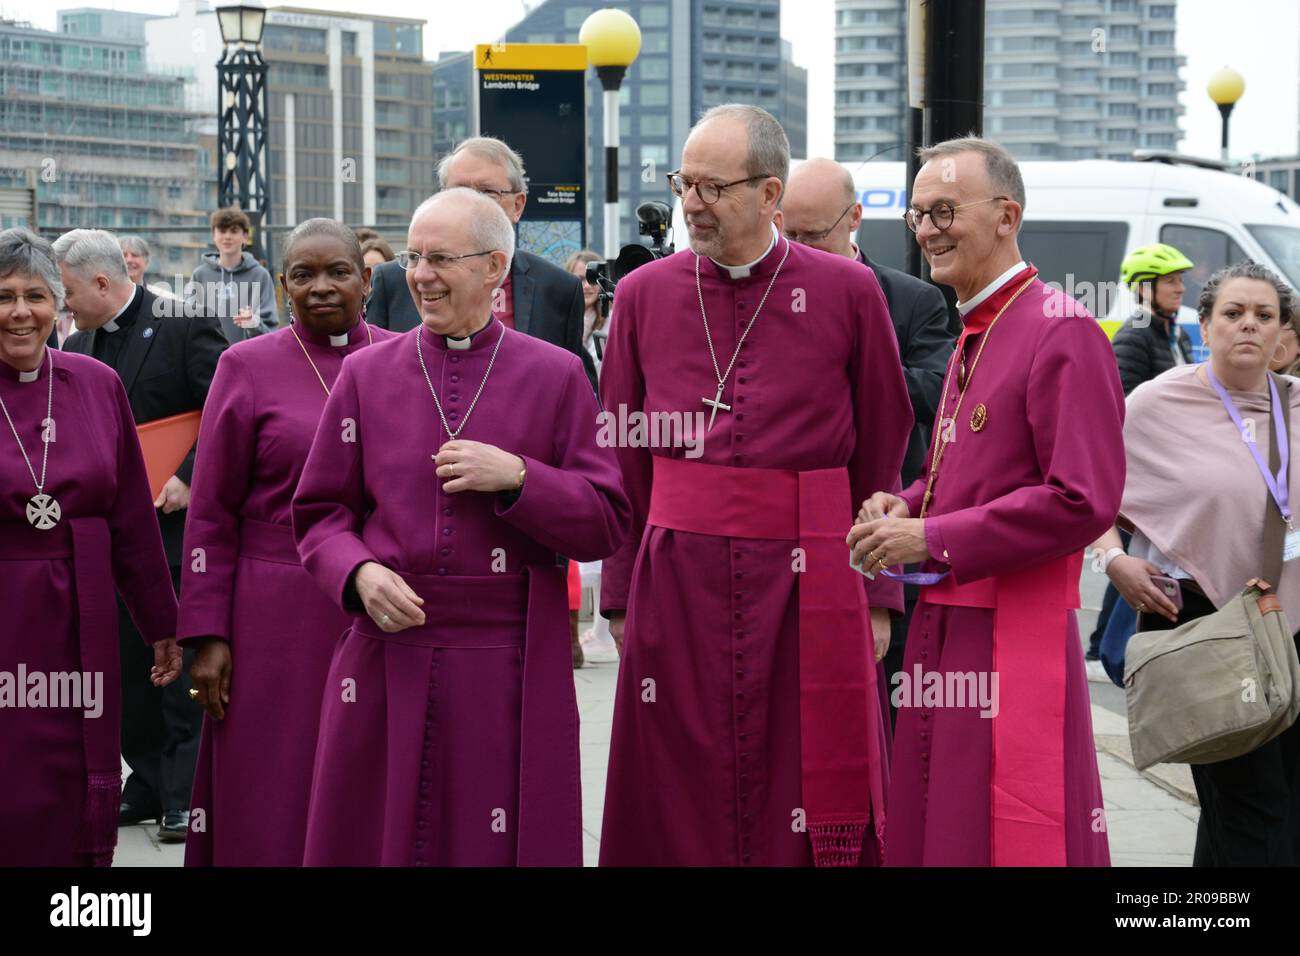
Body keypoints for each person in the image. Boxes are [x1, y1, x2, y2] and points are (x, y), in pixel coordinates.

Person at [598, 105, 912, 866]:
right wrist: (617, 592)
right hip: (677, 579)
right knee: (678, 776)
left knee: (802, 771)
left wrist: (879, 592)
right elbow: (620, 453)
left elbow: (881, 453)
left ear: (771, 194)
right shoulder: (642, 293)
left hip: (810, 581)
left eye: (712, 186)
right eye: (684, 183)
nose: (691, 203)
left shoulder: (847, 291)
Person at [291, 188, 629, 866]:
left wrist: (523, 478)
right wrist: (358, 572)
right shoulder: (363, 375)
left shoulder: (557, 375)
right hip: (388, 647)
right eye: (413, 257)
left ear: (495, 267)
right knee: (376, 831)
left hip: (505, 660)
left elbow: (605, 522)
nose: (419, 274)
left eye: (440, 258)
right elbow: (319, 514)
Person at [848, 136, 1125, 866]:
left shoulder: (1061, 328)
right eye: (916, 216)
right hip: (951, 617)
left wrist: (932, 539)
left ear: (1007, 215)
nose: (928, 229)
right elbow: (959, 471)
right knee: (942, 824)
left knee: (1002, 826)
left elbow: (1083, 499)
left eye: (944, 210)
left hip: (1009, 630)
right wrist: (906, 504)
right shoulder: (977, 326)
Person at [177, 220, 397, 865]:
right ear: (281, 286)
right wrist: (207, 634)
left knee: (366, 774)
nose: (322, 287)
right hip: (272, 610)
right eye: (303, 275)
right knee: (270, 779)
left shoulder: (403, 356)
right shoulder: (244, 365)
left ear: (366, 280)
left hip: (376, 604)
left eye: (338, 272)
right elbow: (211, 512)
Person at [1097, 261, 1300, 866]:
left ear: (1281, 333)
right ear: (1205, 326)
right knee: (1252, 809)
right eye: (1233, 314)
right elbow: (1085, 494)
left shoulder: (1295, 405)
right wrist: (1113, 561)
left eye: (1264, 316)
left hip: (1288, 626)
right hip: (1200, 622)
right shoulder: (1157, 404)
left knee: (1264, 810)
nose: (1249, 326)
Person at [0, 228, 182, 866]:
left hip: (84, 612)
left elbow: (132, 516)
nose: (21, 313)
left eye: (35, 296)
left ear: (59, 305)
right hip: (6, 614)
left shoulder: (96, 382)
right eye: (3, 297)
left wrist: (162, 623)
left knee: (74, 771)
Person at [57, 228, 228, 842]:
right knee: (128, 668)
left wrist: (188, 476)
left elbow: (224, 412)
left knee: (178, 665)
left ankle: (185, 793)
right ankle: (149, 780)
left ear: (102, 282)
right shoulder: (76, 344)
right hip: (112, 537)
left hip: (179, 532)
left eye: (70, 293)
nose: (64, 307)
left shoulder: (182, 324)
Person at [783, 157, 954, 727]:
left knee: (886, 711)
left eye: (813, 234)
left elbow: (933, 392)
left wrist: (845, 376)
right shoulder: (765, 293)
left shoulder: (911, 300)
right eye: (788, 232)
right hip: (787, 530)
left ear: (854, 218)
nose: (798, 246)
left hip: (877, 518)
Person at [366, 136, 597, 389]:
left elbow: (574, 391)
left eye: (487, 193)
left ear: (517, 205)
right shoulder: (396, 282)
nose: (470, 204)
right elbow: (375, 380)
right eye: (459, 192)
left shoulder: (557, 289)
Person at [1085, 243, 1196, 679]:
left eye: (1180, 280)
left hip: (1169, 467)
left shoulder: (1176, 333)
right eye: (1170, 281)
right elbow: (1122, 408)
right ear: (1144, 288)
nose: (1180, 288)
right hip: (1142, 472)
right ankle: (1102, 650)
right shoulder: (1135, 335)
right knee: (1130, 556)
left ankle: (1102, 647)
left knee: (1139, 556)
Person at [190, 207, 279, 344]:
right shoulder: (199, 275)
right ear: (213, 235)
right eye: (222, 231)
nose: (227, 237)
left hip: (248, 359)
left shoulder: (260, 275)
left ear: (245, 236)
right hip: (209, 359)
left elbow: (271, 331)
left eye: (234, 231)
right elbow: (189, 322)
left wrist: (254, 324)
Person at [565, 249, 605, 373]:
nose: (587, 286)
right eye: (581, 279)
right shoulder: (558, 318)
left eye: (592, 279)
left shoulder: (612, 320)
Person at [119, 235, 176, 300]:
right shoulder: (106, 298)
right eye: (124, 255)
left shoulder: (164, 298)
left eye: (135, 255)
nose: (129, 260)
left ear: (146, 262)